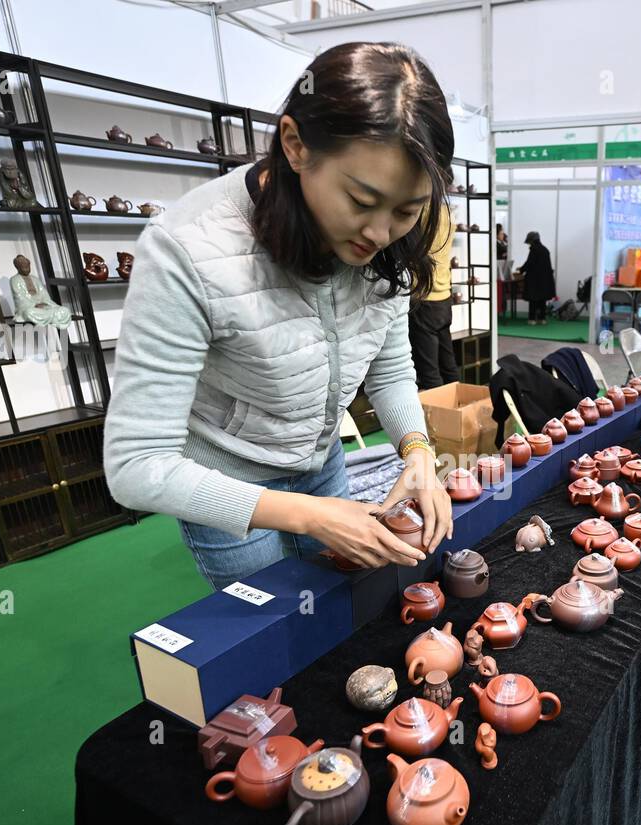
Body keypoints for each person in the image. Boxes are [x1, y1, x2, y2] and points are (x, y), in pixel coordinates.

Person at [103, 42, 455, 589]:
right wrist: (309, 516)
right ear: (294, 145)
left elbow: (388, 370)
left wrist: (417, 451)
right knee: (275, 634)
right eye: (361, 201)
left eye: (407, 211)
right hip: (224, 479)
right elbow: (136, 466)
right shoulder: (188, 249)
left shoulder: (386, 249)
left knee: (336, 610)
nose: (380, 233)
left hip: (322, 462)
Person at [408, 174, 457, 390]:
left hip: (424, 298)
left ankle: (442, 422)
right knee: (448, 365)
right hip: (444, 296)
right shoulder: (446, 210)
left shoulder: (424, 208)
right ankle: (458, 414)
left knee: (429, 371)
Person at [518, 231, 555, 325]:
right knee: (542, 299)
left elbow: (529, 263)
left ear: (532, 241)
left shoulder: (534, 250)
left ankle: (532, 319)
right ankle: (542, 319)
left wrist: (521, 270)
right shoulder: (545, 250)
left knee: (533, 300)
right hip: (545, 279)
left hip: (534, 279)